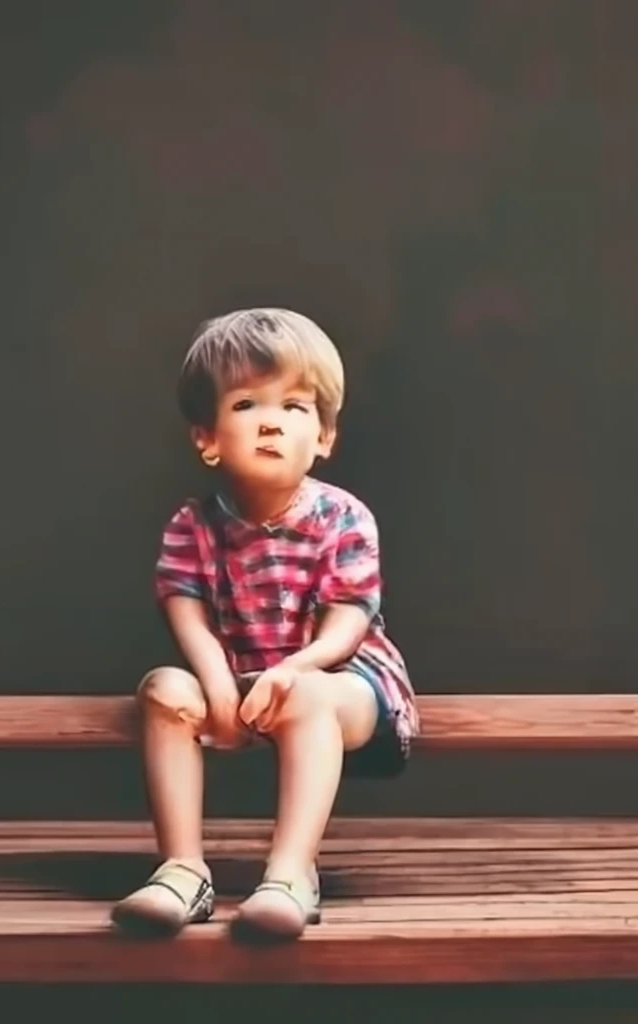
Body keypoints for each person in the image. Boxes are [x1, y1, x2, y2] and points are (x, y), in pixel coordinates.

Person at [112, 308, 418, 941]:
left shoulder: (342, 517)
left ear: (326, 436)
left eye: (296, 407)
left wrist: (293, 669)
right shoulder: (193, 525)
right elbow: (184, 606)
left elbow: (347, 624)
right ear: (208, 437)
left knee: (305, 694)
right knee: (163, 688)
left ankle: (289, 874)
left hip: (344, 683)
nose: (273, 421)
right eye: (248, 403)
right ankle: (181, 870)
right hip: (244, 681)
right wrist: (216, 681)